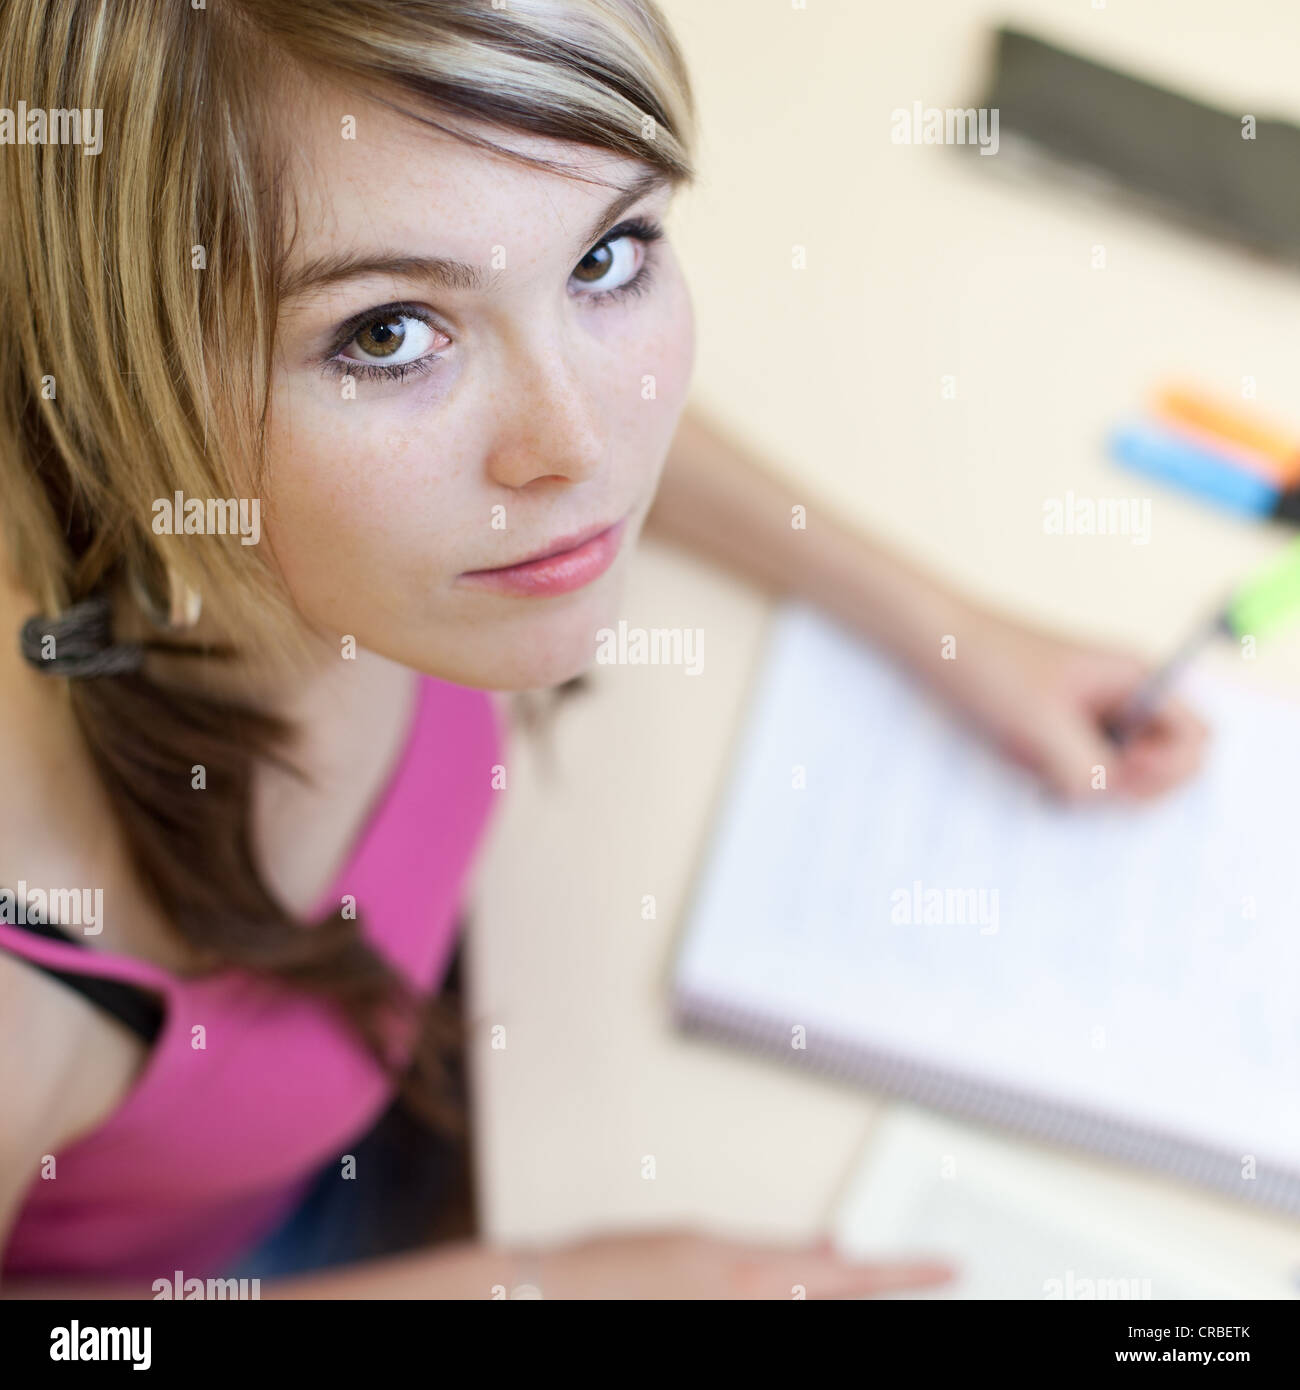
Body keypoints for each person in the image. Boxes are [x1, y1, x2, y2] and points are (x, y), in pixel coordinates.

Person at [0, 0, 1207, 1300]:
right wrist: (539, 1285)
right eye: (388, 333)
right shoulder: (31, 959)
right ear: (115, 370)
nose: (576, 444)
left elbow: (575, 395)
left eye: (610, 255)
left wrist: (946, 623)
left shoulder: (395, 513)